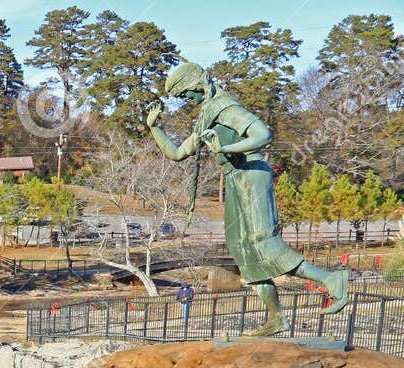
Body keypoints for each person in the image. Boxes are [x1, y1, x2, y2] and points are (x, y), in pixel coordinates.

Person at [146, 60, 349, 338]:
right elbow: (178, 153)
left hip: (251, 175)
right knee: (243, 248)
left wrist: (227, 147)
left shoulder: (225, 107)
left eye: (185, 94)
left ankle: (330, 278)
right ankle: (276, 318)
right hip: (235, 178)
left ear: (195, 85)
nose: (186, 101)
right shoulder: (206, 113)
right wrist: (154, 128)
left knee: (263, 243)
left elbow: (262, 134)